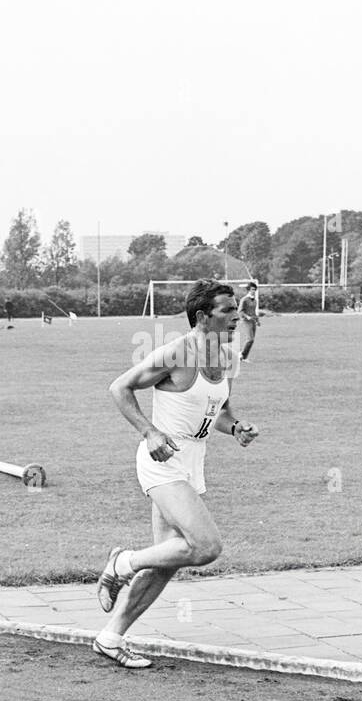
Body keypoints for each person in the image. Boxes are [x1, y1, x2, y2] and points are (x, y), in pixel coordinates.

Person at [93, 279, 259, 668]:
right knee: (206, 547)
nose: (236, 315)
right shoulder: (177, 353)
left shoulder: (228, 357)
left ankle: (110, 637)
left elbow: (219, 411)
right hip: (163, 459)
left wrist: (237, 428)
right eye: (225, 310)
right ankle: (121, 563)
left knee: (166, 563)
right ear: (202, 317)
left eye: (235, 307)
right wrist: (149, 431)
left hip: (193, 461)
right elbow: (120, 388)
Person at [236, 282, 259, 362]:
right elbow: (240, 311)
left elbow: (254, 312)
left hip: (253, 321)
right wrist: (247, 317)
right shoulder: (244, 299)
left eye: (255, 289)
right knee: (250, 339)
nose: (254, 291)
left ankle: (244, 357)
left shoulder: (255, 300)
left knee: (252, 340)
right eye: (252, 289)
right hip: (246, 321)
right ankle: (241, 354)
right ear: (248, 290)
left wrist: (257, 320)